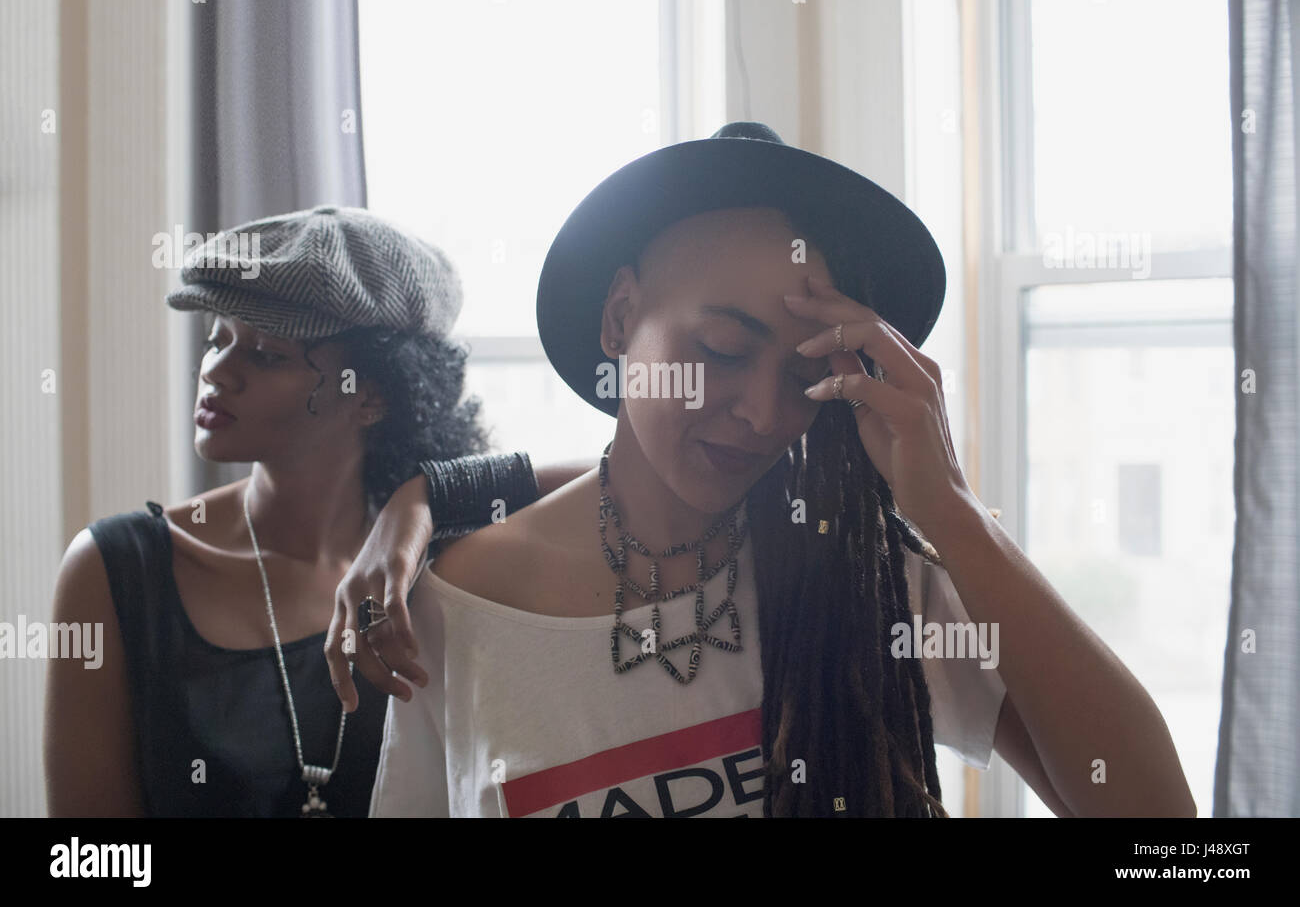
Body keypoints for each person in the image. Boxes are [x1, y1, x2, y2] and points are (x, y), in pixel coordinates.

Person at [333, 123, 1196, 818]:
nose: (764, 416)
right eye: (719, 350)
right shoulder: (452, 615)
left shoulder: (867, 580)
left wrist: (954, 510)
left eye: (805, 378)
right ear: (620, 317)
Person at [43, 205, 587, 817]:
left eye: (266, 354)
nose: (218, 371)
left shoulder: (448, 564)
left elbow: (623, 477)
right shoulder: (117, 570)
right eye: (218, 339)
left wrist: (426, 497)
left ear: (373, 395)